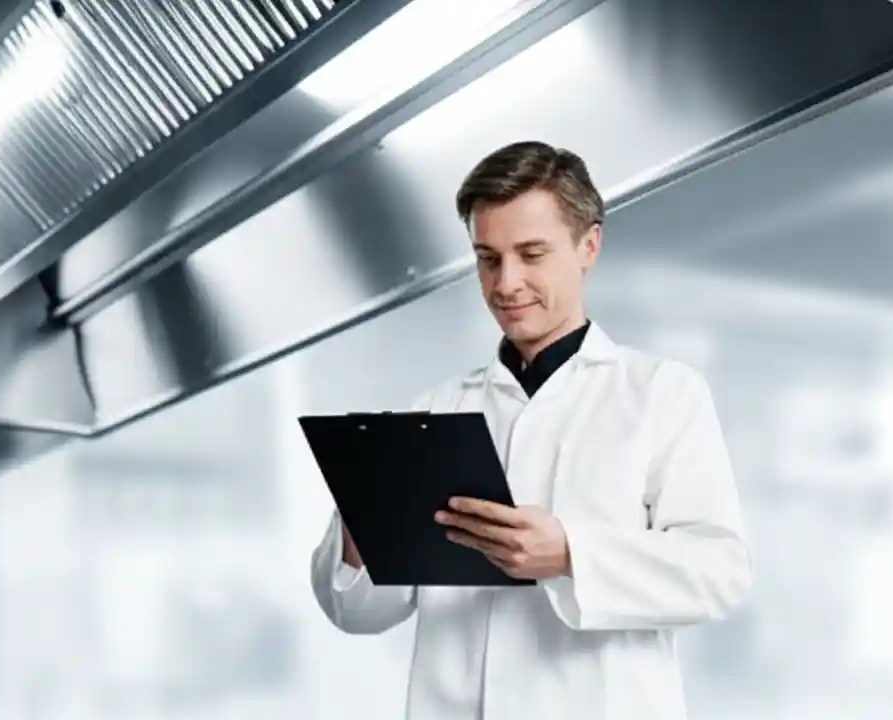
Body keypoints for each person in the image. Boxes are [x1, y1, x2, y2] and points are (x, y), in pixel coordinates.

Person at [310, 140, 754, 719]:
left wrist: (569, 553)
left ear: (588, 244)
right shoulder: (437, 410)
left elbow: (719, 572)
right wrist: (361, 512)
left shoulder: (663, 394)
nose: (505, 284)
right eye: (487, 258)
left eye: (531, 253)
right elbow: (358, 613)